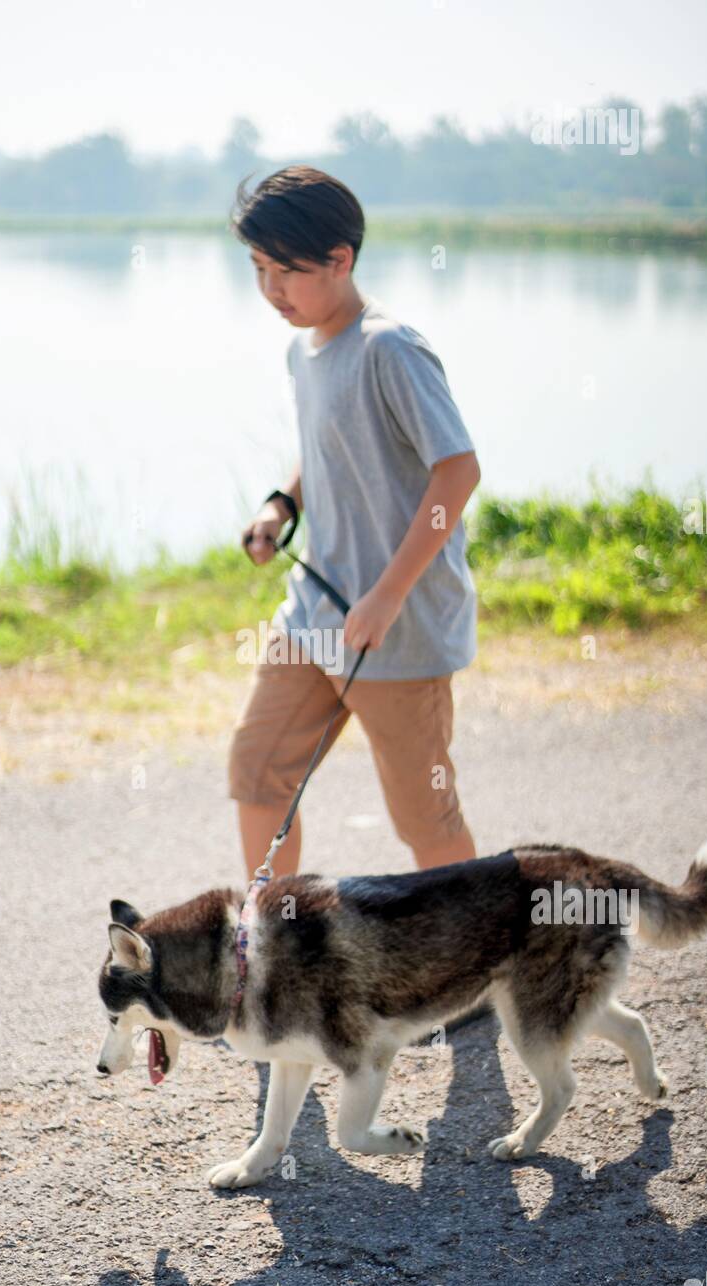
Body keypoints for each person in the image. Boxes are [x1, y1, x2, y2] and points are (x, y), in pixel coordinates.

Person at [228, 165, 481, 882]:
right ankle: (268, 946)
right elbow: (325, 450)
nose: (270, 290)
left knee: (424, 820)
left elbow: (457, 471)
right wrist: (282, 504)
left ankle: (480, 972)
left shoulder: (389, 348)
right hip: (313, 613)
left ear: (340, 260)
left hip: (394, 631)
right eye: (257, 269)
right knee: (257, 768)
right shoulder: (301, 349)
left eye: (286, 271)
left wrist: (387, 596)